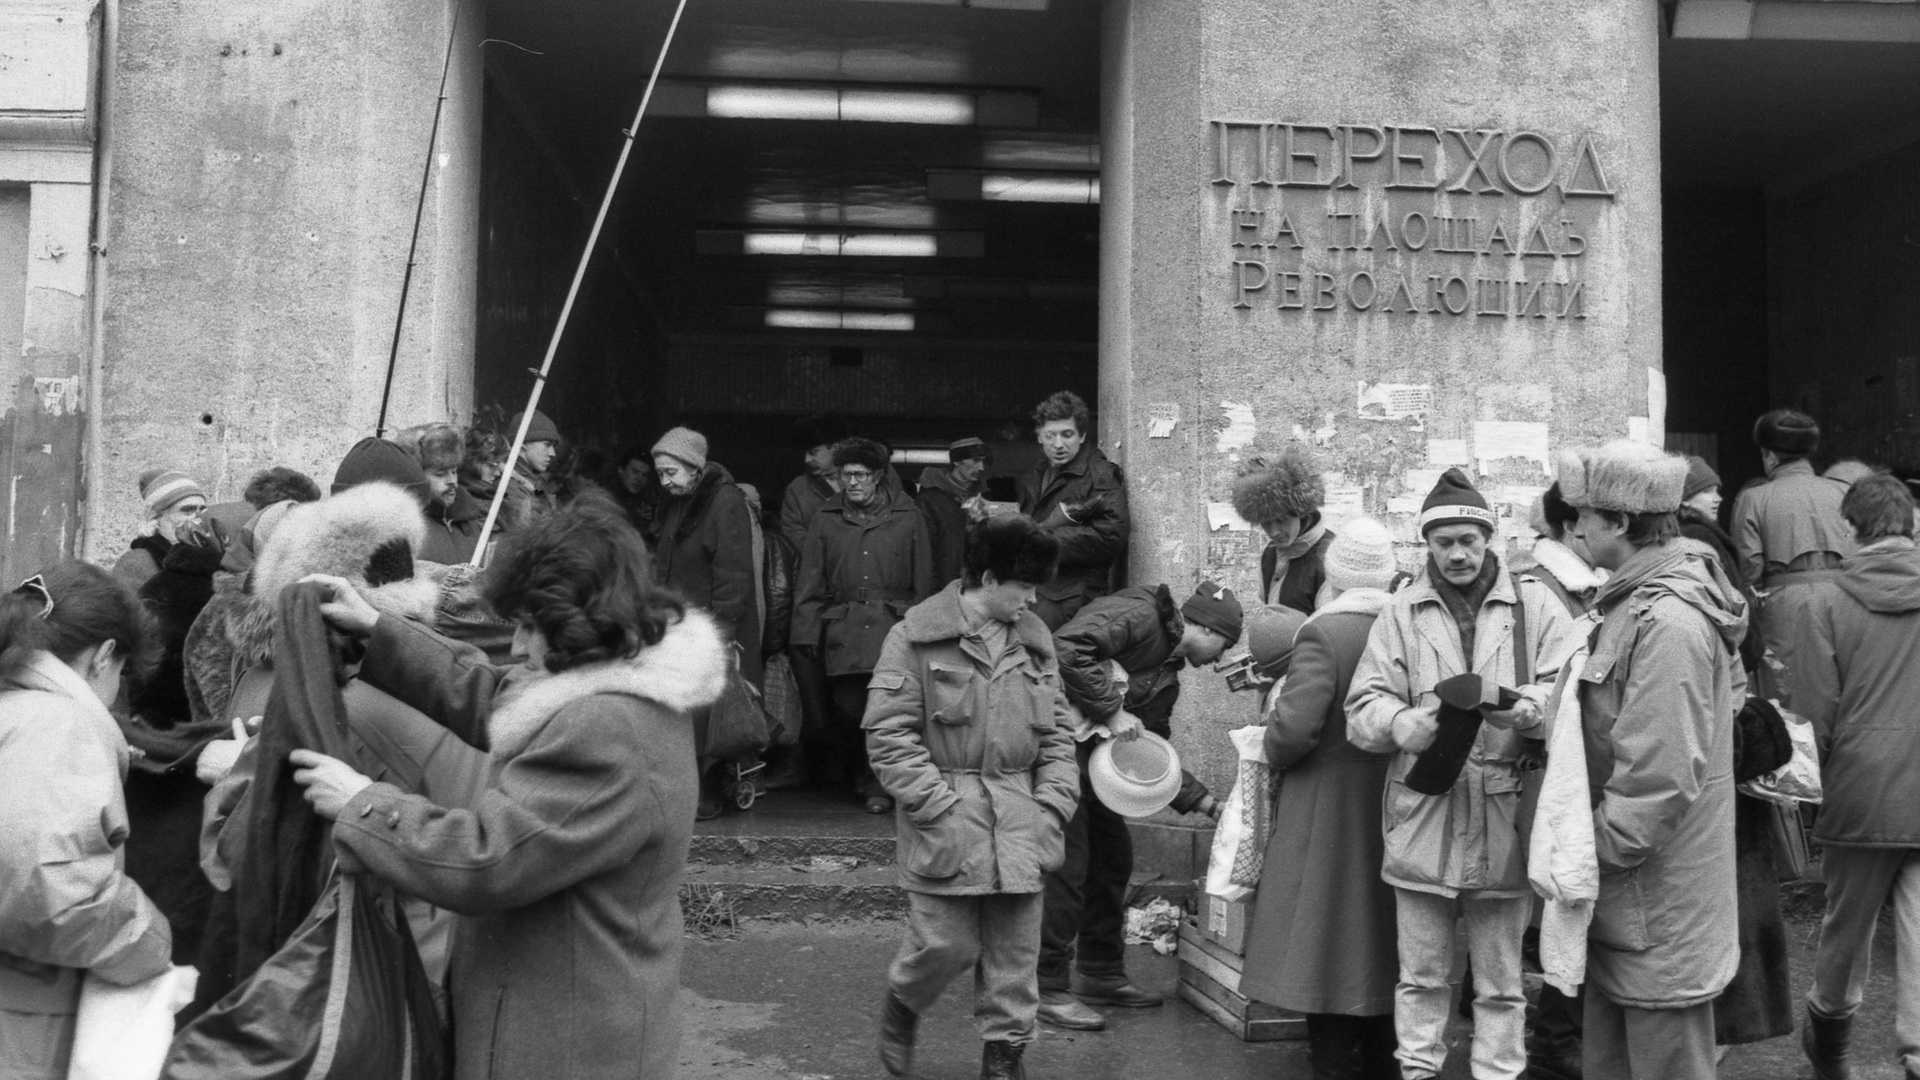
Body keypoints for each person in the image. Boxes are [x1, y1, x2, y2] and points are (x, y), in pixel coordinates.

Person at [290, 497, 728, 1080]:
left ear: (577, 620)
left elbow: (490, 860)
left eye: (528, 625)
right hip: (579, 1014)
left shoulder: (605, 726)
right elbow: (505, 698)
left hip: (562, 1042)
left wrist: (360, 803)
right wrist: (378, 627)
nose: (517, 645)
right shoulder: (618, 682)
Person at [1346, 467, 1570, 1080]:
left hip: (1505, 814)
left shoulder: (1535, 604)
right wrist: (1397, 724)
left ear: (1489, 540)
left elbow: (1570, 693)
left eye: (1468, 541)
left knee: (1501, 983)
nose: (1457, 554)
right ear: (1428, 546)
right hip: (1422, 816)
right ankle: (1417, 1073)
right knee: (1419, 978)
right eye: (1443, 542)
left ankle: (1499, 1073)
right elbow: (1360, 708)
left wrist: (1534, 709)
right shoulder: (1402, 610)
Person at [1558, 440, 1748, 1080]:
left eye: (1586, 514)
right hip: (1637, 902)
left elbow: (1659, 778)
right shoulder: (1637, 602)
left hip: (1652, 900)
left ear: (1619, 523)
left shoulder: (1667, 619)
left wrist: (1588, 857)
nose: (1576, 525)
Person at [865, 516, 1079, 1080]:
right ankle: (903, 1006)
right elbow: (888, 735)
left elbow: (1058, 738)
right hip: (946, 813)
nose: (1034, 598)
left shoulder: (1035, 643)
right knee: (945, 946)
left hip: (1019, 812)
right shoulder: (914, 637)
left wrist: (1052, 809)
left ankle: (1005, 1057)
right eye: (1024, 586)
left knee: (1015, 956)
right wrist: (937, 808)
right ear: (988, 578)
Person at [1039, 580, 1243, 1030]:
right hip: (1058, 746)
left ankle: (1100, 972)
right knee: (1067, 868)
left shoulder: (1168, 670)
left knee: (1112, 861)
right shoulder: (1141, 613)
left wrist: (1207, 803)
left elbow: (1150, 751)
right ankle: (1045, 985)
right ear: (1207, 629)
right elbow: (1067, 647)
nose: (1218, 661)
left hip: (1098, 761)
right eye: (1223, 647)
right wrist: (1112, 710)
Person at [1240, 518, 1403, 1080]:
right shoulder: (1407, 623)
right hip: (1394, 795)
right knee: (1386, 935)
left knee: (1322, 933)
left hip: (1327, 800)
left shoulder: (1323, 633)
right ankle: (1386, 1059)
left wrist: (1271, 726)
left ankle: (1334, 1062)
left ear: (1334, 575)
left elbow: (1293, 732)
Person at [0, 561, 173, 1078]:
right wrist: (151, 938)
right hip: (18, 1014)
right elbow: (46, 889)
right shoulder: (60, 721)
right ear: (103, 657)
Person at [1796, 474, 1920, 1080]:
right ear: (1912, 526)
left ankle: (1831, 1048)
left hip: (1859, 788)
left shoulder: (1825, 600)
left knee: (1846, 928)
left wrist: (1813, 789)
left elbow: (1817, 712)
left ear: (1849, 529)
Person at [794, 436, 937, 812]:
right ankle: (861, 772)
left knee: (890, 707)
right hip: (845, 629)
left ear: (878, 476)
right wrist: (805, 634)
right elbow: (810, 582)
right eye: (845, 476)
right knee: (850, 707)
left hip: (895, 628)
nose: (851, 483)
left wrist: (926, 633)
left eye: (859, 475)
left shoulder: (909, 516)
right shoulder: (825, 519)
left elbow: (924, 580)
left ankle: (877, 783)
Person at [650, 426, 763, 819]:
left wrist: (722, 635)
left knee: (709, 714)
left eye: (671, 472)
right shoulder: (677, 500)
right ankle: (686, 788)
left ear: (694, 468)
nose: (665, 481)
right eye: (660, 473)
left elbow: (734, 574)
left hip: (707, 626)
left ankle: (710, 790)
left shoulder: (724, 503)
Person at [1730, 408, 1854, 715]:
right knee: (1847, 690)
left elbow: (1749, 568)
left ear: (1769, 456)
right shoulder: (1845, 492)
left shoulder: (1754, 498)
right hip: (1848, 600)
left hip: (1784, 609)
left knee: (1788, 701)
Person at [1017, 391, 1129, 631]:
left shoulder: (1099, 475)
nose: (1058, 444)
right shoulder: (1033, 476)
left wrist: (1042, 540)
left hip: (1073, 599)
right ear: (1039, 437)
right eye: (1050, 435)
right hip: (1037, 592)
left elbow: (1111, 535)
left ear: (1082, 435)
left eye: (1067, 434)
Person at [1232, 446, 1334, 614]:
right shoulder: (1270, 554)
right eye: (1265, 523)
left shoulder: (1329, 558)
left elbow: (1328, 632)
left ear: (1300, 512)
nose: (1273, 532)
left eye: (1281, 520)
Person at [393, 423, 489, 565]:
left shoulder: (470, 520)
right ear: (416, 475)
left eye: (454, 471)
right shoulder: (404, 527)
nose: (452, 481)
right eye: (440, 474)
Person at [113, 467, 209, 590]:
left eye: (202, 510)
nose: (197, 518)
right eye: (187, 510)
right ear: (157, 517)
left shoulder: (210, 556)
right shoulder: (137, 562)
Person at [916, 436, 990, 588]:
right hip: (942, 586)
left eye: (983, 461)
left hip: (978, 586)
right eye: (975, 460)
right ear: (957, 461)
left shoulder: (985, 498)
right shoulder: (929, 499)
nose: (981, 467)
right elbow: (923, 551)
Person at [505, 408, 563, 528]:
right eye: (547, 445)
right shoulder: (510, 486)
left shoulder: (536, 480)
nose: (552, 453)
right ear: (523, 445)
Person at [610, 444, 662, 543]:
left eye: (644, 475)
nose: (639, 478)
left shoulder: (640, 499)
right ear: (621, 470)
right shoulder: (605, 497)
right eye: (635, 471)